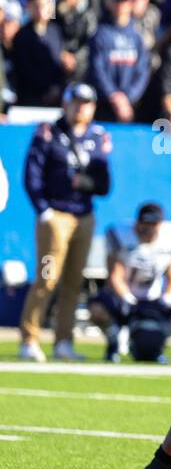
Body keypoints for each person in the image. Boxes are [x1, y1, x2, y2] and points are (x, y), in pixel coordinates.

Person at [18, 83, 110, 363]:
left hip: (84, 215)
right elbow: (31, 175)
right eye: (77, 102)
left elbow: (105, 185)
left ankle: (63, 342)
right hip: (55, 215)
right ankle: (29, 339)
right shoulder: (48, 133)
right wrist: (43, 210)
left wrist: (84, 182)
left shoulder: (97, 137)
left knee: (73, 283)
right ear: (66, 103)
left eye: (87, 103)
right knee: (47, 278)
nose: (81, 108)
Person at [89, 202, 171, 363]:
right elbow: (115, 276)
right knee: (96, 309)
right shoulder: (120, 234)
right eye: (145, 226)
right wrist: (128, 300)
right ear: (136, 223)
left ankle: (159, 335)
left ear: (160, 225)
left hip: (155, 299)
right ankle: (115, 339)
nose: (148, 231)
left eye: (152, 226)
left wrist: (165, 303)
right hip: (126, 299)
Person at [87, 0, 150, 123]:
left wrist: (128, 97)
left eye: (125, 1)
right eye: (117, 1)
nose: (121, 6)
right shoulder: (100, 34)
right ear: (111, 3)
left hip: (130, 106)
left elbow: (143, 71)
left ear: (131, 4)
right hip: (104, 105)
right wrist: (113, 96)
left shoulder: (137, 37)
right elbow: (97, 69)